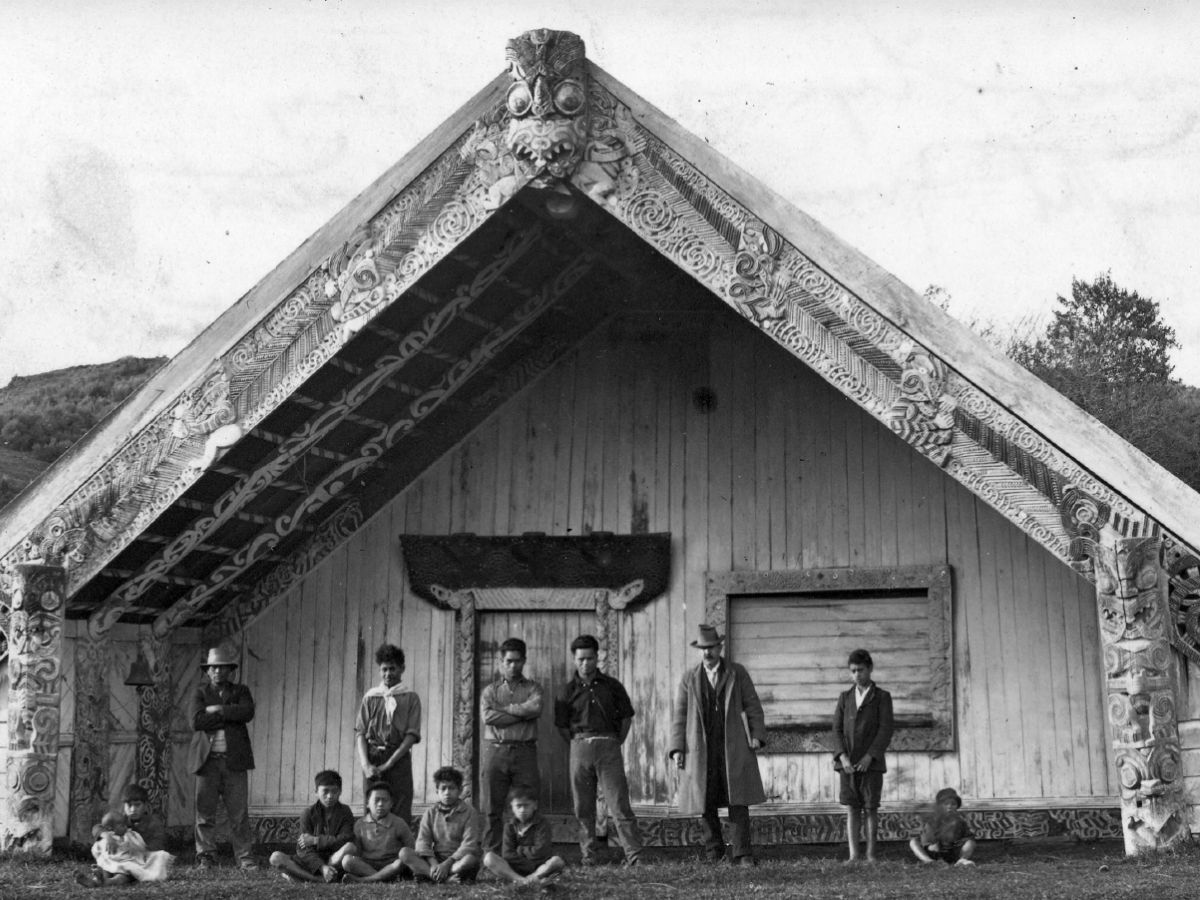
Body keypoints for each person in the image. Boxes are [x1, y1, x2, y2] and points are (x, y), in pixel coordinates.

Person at [669, 623, 767, 866]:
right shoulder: (690, 678)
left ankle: (743, 853)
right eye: (703, 648)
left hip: (732, 746)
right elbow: (679, 715)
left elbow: (753, 705)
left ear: (719, 648)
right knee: (705, 800)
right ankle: (714, 853)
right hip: (701, 749)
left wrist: (756, 734)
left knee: (738, 800)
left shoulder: (736, 673)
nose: (707, 652)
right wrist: (677, 748)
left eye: (711, 647)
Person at [554, 633, 643, 866]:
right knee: (583, 807)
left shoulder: (612, 686)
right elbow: (562, 727)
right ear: (574, 659)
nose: (585, 664)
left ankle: (634, 857)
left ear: (597, 657)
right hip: (580, 747)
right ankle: (589, 857)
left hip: (608, 746)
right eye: (581, 659)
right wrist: (579, 744)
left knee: (619, 803)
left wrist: (614, 742)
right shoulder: (566, 691)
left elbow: (626, 718)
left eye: (590, 658)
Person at [188, 642, 257, 869]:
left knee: (239, 814)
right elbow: (196, 722)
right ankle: (205, 856)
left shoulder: (241, 691)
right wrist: (229, 715)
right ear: (208, 671)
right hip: (206, 762)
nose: (218, 671)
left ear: (229, 670)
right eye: (213, 667)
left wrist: (217, 710)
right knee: (204, 813)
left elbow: (247, 712)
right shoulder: (200, 693)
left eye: (222, 667)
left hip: (234, 761)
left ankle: (244, 857)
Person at [480, 636, 543, 852]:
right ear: (501, 662)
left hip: (525, 752)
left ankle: (526, 855)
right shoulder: (490, 691)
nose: (513, 666)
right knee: (492, 807)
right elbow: (488, 717)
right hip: (496, 752)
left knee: (527, 805)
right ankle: (491, 854)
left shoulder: (534, 688)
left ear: (524, 661)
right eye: (508, 661)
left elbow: (535, 708)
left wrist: (505, 709)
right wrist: (521, 713)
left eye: (517, 661)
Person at [833, 648, 894, 863]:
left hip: (871, 764)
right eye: (853, 671)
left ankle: (870, 855)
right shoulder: (845, 698)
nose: (857, 675)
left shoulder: (882, 697)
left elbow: (885, 730)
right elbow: (836, 730)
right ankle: (853, 855)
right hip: (848, 764)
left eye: (860, 670)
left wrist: (870, 756)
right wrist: (842, 757)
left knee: (870, 808)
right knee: (852, 807)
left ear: (870, 669)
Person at [355, 643, 422, 823]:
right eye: (384, 669)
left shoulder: (411, 697)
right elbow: (360, 732)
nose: (388, 674)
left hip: (398, 758)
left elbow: (411, 735)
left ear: (402, 669)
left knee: (400, 806)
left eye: (392, 669)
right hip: (373, 757)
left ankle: (399, 842)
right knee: (373, 806)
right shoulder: (371, 697)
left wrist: (389, 764)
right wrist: (366, 765)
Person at [268, 769, 356, 883]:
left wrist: (316, 840)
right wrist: (322, 867)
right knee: (276, 857)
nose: (330, 796)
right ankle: (319, 879)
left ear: (340, 792)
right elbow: (303, 849)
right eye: (325, 791)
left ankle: (300, 876)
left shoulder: (345, 811)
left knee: (350, 847)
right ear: (316, 792)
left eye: (334, 791)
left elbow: (345, 839)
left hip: (333, 860)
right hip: (311, 862)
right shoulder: (308, 813)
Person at [401, 766, 482, 883]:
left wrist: (447, 864)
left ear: (459, 790)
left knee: (470, 860)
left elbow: (469, 844)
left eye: (451, 788)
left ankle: (432, 876)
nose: (447, 793)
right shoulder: (430, 812)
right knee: (405, 853)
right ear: (437, 791)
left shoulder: (469, 812)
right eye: (443, 788)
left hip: (457, 861)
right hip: (435, 860)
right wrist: (434, 864)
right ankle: (445, 878)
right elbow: (422, 842)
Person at [483, 787, 565, 885]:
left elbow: (541, 851)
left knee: (557, 861)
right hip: (514, 868)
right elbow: (507, 854)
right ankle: (523, 880)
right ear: (512, 807)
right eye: (518, 806)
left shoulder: (542, 823)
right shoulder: (509, 826)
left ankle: (529, 878)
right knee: (489, 858)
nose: (522, 810)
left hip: (538, 866)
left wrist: (519, 849)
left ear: (535, 805)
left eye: (526, 806)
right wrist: (525, 861)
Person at [340, 781, 415, 883]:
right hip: (368, 864)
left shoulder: (399, 823)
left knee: (399, 863)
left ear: (391, 804)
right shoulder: (360, 824)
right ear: (367, 803)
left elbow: (411, 847)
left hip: (390, 864)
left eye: (385, 800)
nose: (380, 804)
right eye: (376, 800)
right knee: (347, 860)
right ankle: (383, 878)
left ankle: (365, 880)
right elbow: (357, 851)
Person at [77, 811, 173, 887]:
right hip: (109, 863)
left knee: (122, 876)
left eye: (125, 824)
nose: (126, 827)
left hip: (126, 865)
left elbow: (141, 846)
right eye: (122, 825)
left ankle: (104, 882)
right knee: (105, 870)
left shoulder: (131, 833)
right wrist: (107, 836)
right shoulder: (109, 834)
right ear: (110, 828)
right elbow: (97, 829)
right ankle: (96, 880)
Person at [910, 787, 976, 866]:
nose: (949, 806)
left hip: (952, 852)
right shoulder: (932, 821)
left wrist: (962, 841)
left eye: (953, 804)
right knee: (913, 842)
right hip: (935, 851)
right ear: (939, 806)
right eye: (946, 804)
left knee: (971, 842)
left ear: (957, 807)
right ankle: (928, 861)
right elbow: (926, 841)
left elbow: (968, 836)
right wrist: (931, 846)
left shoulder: (960, 821)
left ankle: (962, 859)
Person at [120, 783, 166, 853]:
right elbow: (102, 829)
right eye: (129, 805)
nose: (133, 809)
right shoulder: (120, 820)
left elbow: (157, 846)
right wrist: (108, 836)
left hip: (145, 854)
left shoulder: (154, 823)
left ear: (145, 806)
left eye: (137, 805)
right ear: (124, 806)